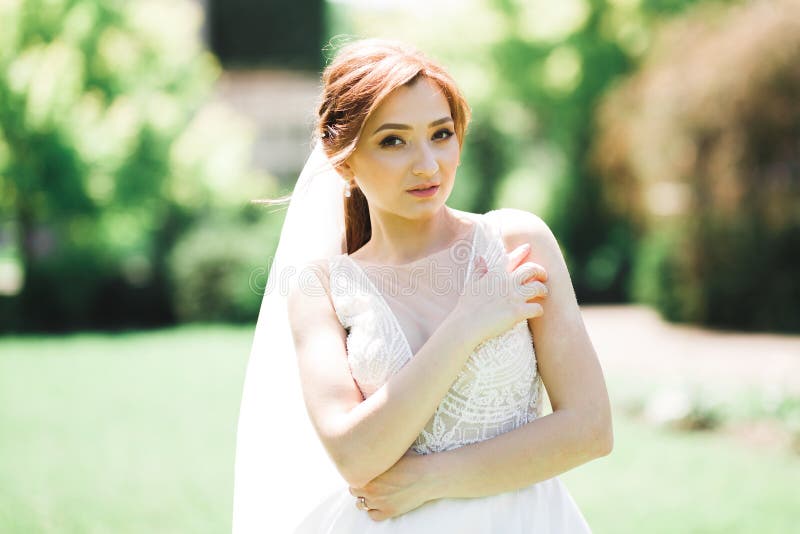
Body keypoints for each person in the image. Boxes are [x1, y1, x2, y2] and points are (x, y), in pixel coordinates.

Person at [232, 37, 613, 533]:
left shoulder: (516, 243)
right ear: (343, 160)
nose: (427, 164)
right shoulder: (320, 290)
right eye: (394, 141)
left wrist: (431, 479)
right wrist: (468, 323)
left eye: (441, 134)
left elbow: (590, 428)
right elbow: (355, 456)